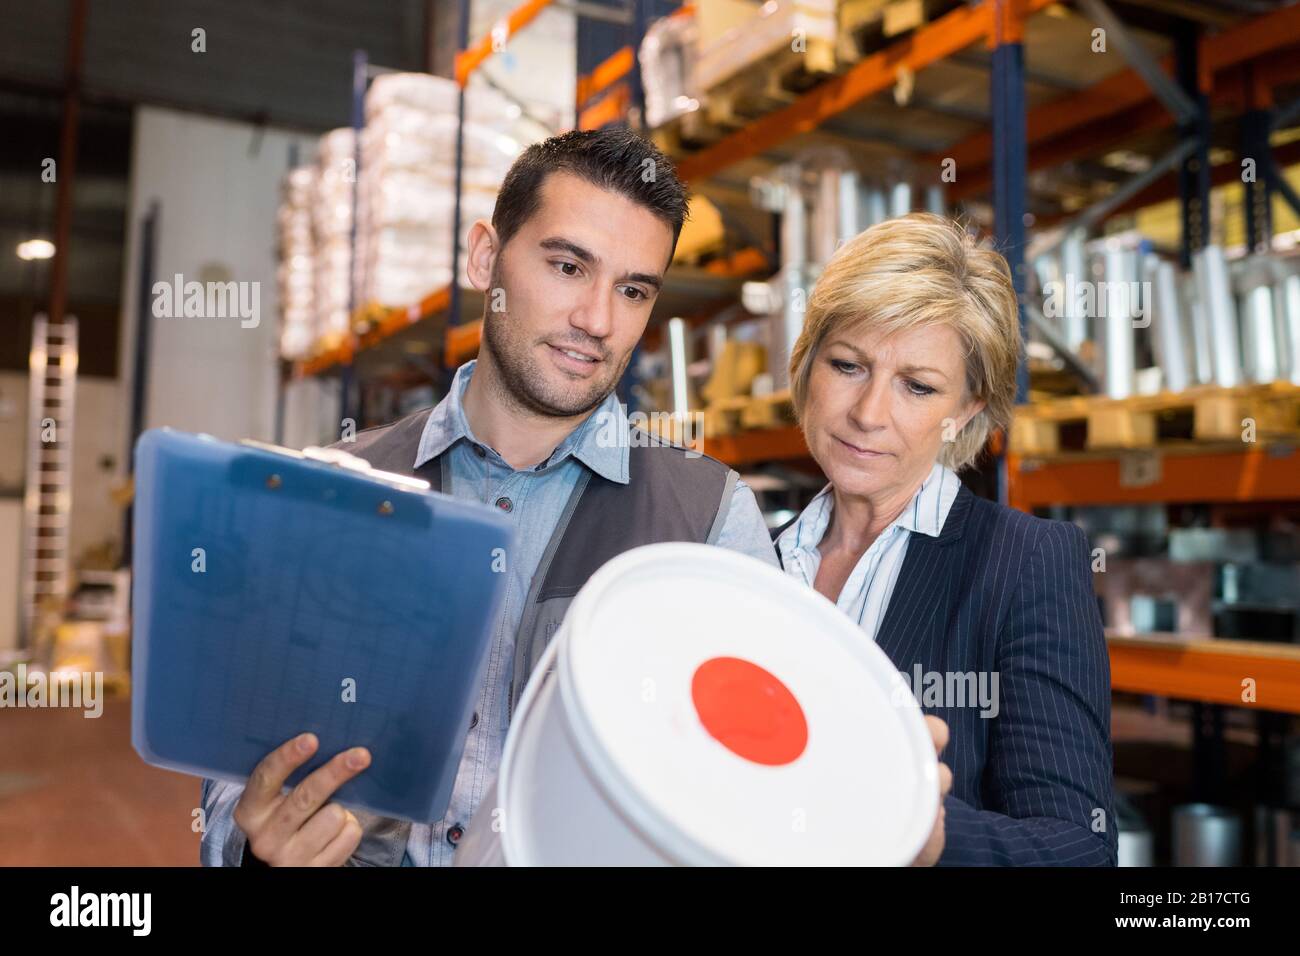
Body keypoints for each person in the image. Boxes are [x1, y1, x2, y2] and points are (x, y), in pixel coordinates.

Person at [199, 127, 786, 867]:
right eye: (569, 266)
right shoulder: (335, 488)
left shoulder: (708, 519)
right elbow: (232, 781)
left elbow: (750, 799)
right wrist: (259, 845)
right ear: (486, 257)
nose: (598, 321)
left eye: (633, 289)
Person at [773, 213, 1116, 865]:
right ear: (807, 363)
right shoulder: (750, 557)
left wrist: (930, 837)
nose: (869, 413)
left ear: (964, 411)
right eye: (847, 364)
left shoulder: (1026, 565)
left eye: (918, 386)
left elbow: (1081, 848)